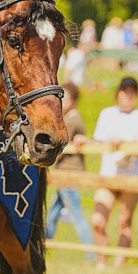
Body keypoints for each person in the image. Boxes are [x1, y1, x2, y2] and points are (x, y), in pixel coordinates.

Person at [91, 76, 138, 268]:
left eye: (131, 93)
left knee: (124, 221)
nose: (127, 96)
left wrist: (122, 145)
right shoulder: (107, 113)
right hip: (109, 173)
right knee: (98, 220)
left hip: (132, 174)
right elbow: (99, 140)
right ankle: (102, 260)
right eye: (124, 92)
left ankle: (119, 264)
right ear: (118, 93)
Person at [46, 83, 94, 259]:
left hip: (69, 172)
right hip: (63, 172)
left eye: (66, 98)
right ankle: (42, 244)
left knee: (76, 214)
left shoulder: (72, 119)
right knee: (53, 212)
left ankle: (92, 254)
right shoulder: (70, 118)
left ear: (74, 101)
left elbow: (60, 145)